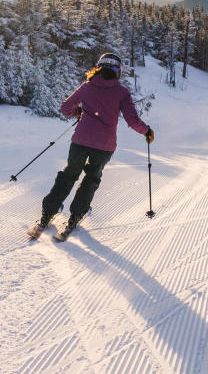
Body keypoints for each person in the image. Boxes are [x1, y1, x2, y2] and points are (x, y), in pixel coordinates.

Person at [34, 52, 153, 239]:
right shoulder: (122, 92)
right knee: (91, 178)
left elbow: (66, 108)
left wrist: (78, 112)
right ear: (117, 71)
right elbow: (132, 120)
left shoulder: (87, 87)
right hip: (104, 146)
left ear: (99, 67)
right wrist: (147, 131)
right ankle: (76, 215)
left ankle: (48, 213)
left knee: (69, 174)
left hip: (80, 141)